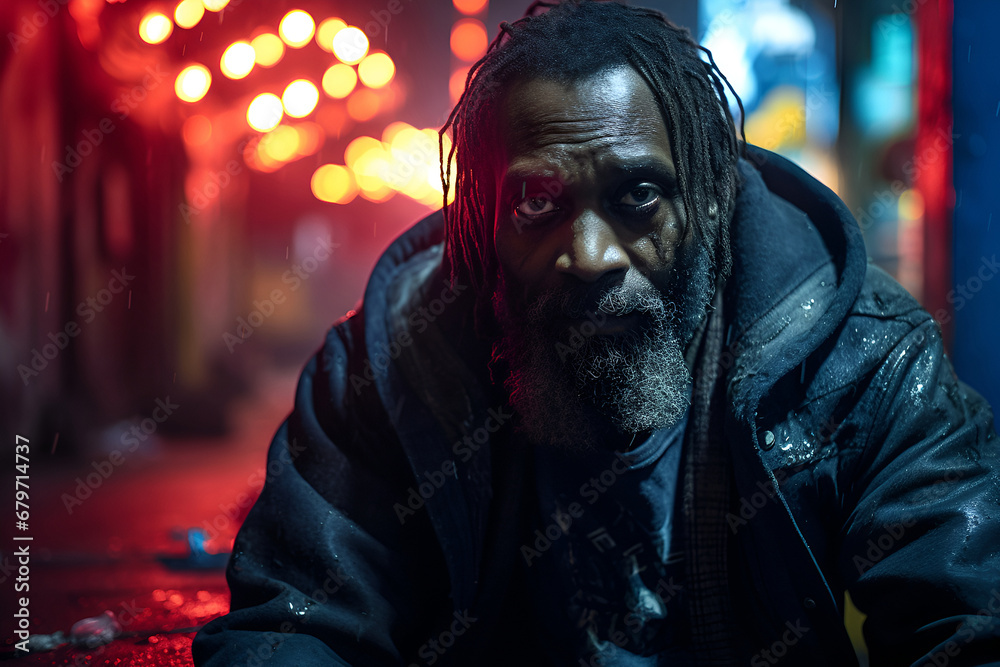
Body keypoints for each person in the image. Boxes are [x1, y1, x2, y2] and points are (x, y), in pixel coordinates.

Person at [193, 2, 1000, 665]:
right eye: (538, 206)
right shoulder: (387, 367)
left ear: (714, 198)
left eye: (637, 195)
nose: (589, 257)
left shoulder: (862, 356)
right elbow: (294, 631)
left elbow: (968, 624)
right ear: (481, 224)